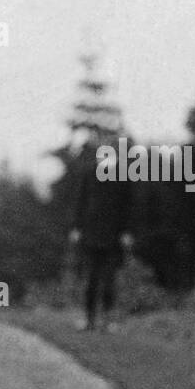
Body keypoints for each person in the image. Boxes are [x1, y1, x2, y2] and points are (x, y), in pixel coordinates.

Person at [69, 135, 134, 331]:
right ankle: (89, 319)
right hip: (90, 235)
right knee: (91, 279)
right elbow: (80, 202)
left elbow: (128, 207)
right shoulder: (88, 174)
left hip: (113, 237)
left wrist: (126, 232)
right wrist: (76, 228)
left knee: (109, 280)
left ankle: (107, 320)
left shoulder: (122, 177)